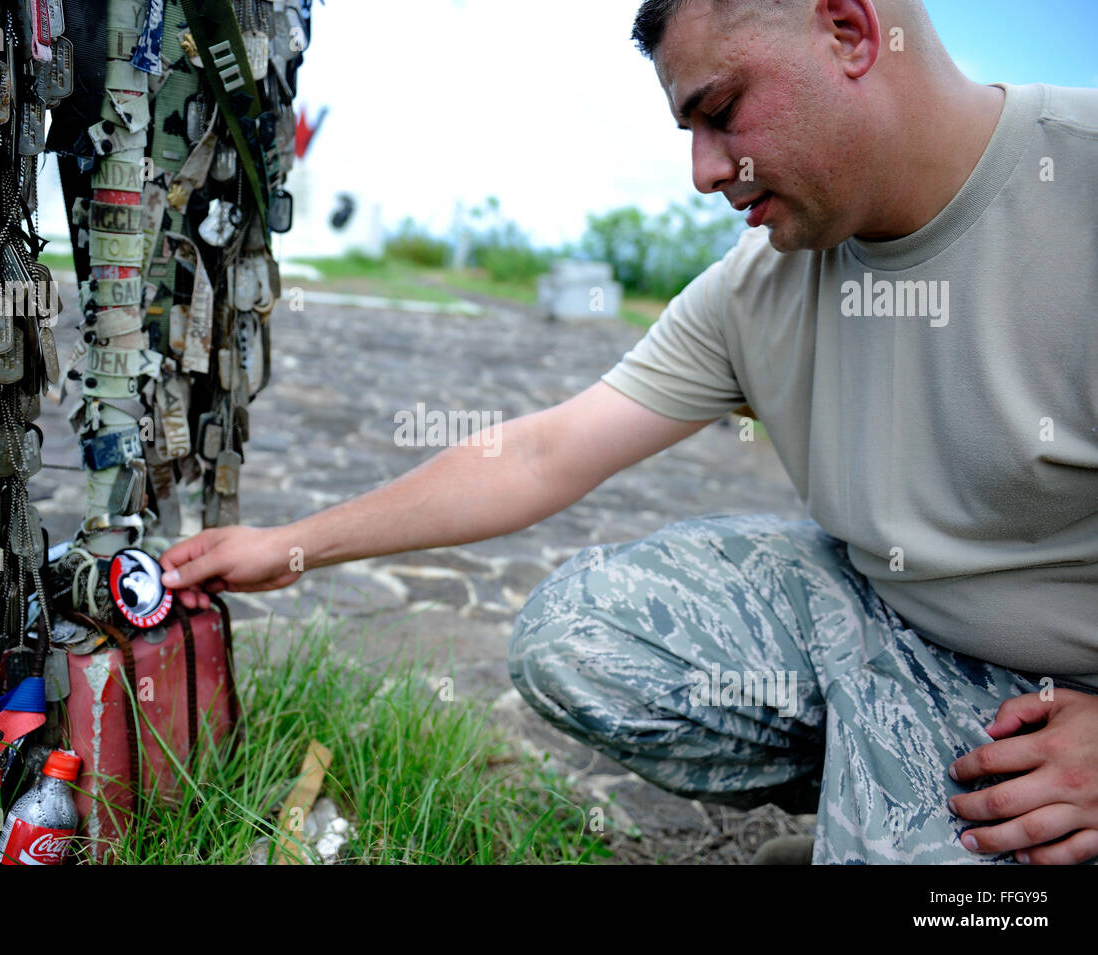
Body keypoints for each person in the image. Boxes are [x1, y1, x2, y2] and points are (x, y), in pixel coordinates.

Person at [159, 0, 1098, 864]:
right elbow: (539, 453)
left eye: (722, 110)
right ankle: (882, 786)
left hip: (1063, 697)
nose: (701, 173)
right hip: (886, 622)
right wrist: (285, 547)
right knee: (582, 632)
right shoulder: (758, 285)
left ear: (850, 32)